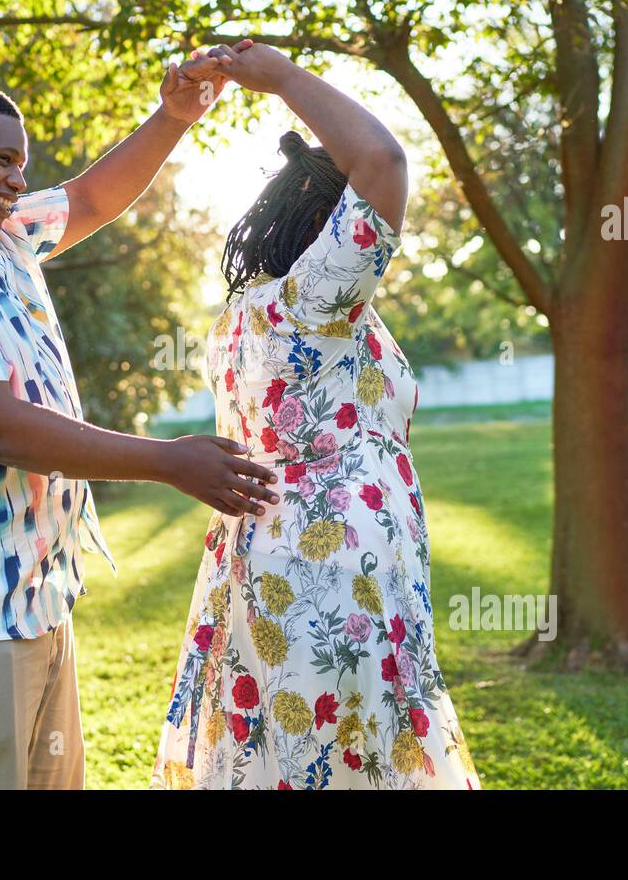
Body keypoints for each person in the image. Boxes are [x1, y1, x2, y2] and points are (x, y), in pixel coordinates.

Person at [0, 57, 279, 790]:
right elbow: (1, 429)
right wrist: (171, 460)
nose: (18, 178)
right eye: (4, 160)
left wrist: (172, 117)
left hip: (25, 597)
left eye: (24, 162)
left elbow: (90, 197)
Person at [152, 41, 482, 789]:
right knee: (336, 759)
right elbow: (385, 164)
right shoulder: (313, 303)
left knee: (285, 757)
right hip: (329, 590)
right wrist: (283, 79)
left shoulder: (250, 310)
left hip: (285, 577)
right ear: (335, 225)